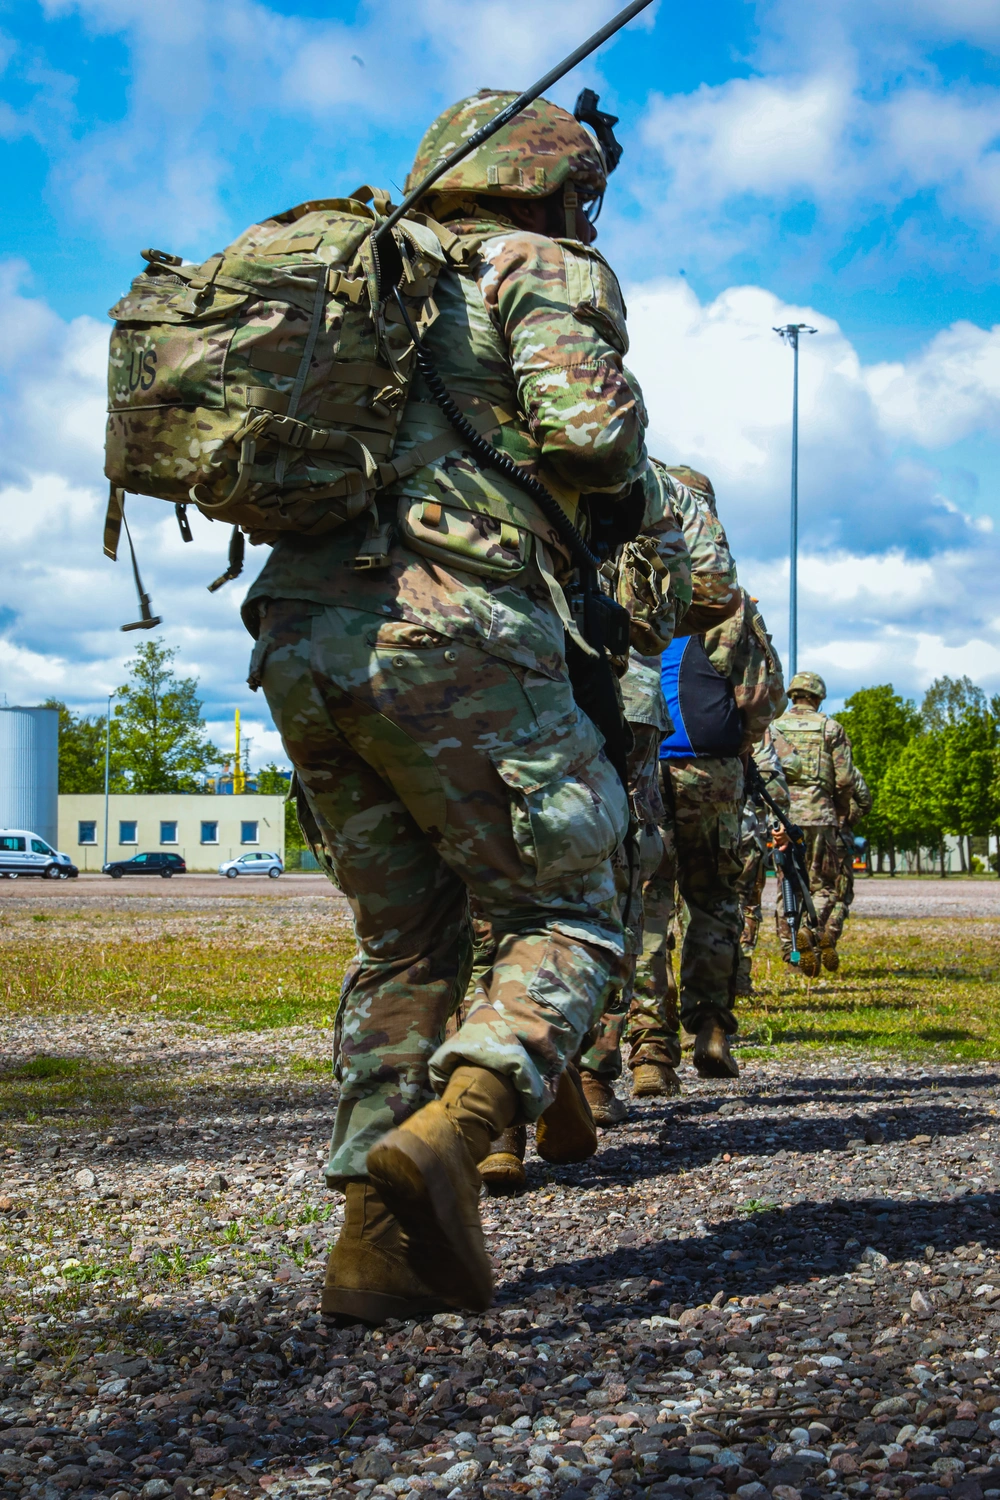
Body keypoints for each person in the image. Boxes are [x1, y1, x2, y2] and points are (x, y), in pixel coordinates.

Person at [243, 90, 647, 1322]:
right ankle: (457, 1129)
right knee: (570, 910)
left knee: (405, 944)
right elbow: (592, 440)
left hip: (305, 634)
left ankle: (373, 1251)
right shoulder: (537, 263)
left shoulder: (372, 274)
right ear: (546, 186)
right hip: (454, 624)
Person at [771, 672, 872, 975]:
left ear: (792, 695)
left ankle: (793, 958)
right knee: (824, 886)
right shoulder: (831, 728)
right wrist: (839, 811)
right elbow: (844, 778)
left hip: (784, 818)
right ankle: (810, 932)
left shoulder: (774, 728)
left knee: (786, 885)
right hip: (820, 815)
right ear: (817, 697)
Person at [733, 726, 799, 997]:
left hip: (690, 824)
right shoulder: (756, 724)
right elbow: (779, 776)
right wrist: (780, 823)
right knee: (746, 903)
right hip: (745, 827)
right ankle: (738, 978)